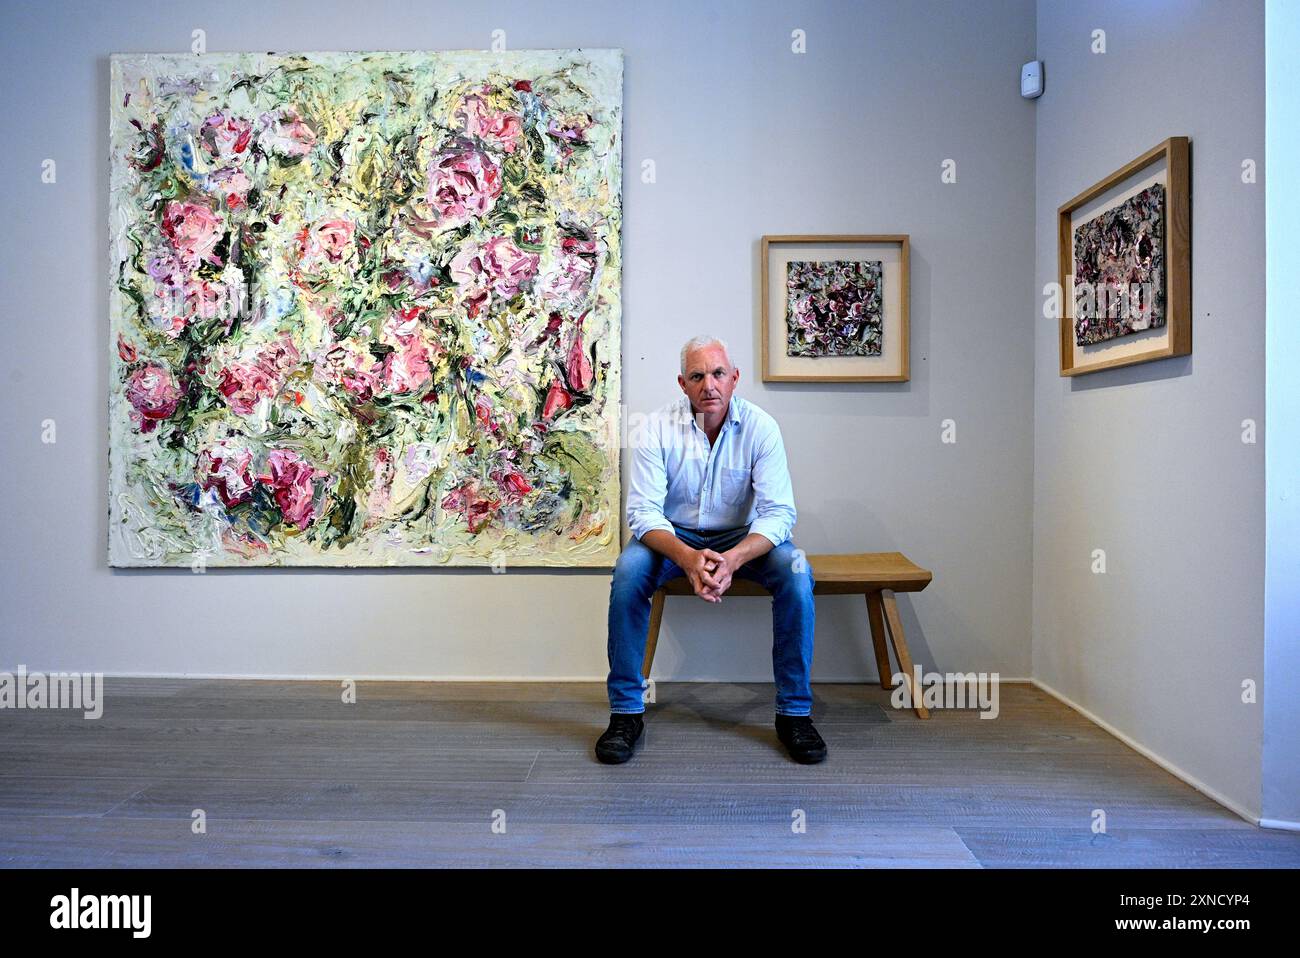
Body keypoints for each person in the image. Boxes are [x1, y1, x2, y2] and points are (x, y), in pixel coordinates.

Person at [596, 335, 825, 765]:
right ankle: (625, 713)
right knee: (628, 572)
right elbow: (643, 513)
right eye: (697, 376)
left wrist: (734, 558)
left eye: (718, 374)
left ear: (734, 378)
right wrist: (687, 557)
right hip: (671, 537)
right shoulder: (656, 427)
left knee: (797, 573)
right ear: (682, 383)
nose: (709, 385)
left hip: (742, 538)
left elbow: (778, 513)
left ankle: (794, 714)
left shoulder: (761, 428)